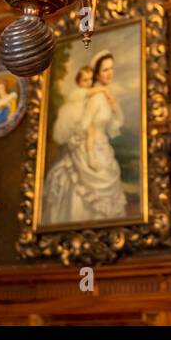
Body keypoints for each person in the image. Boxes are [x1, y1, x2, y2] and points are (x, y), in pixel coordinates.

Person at [42, 53, 127, 224]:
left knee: (107, 183)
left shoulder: (105, 96)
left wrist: (113, 105)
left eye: (111, 69)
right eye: (105, 70)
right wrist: (89, 151)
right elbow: (85, 125)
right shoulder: (95, 97)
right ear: (97, 75)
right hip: (89, 146)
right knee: (88, 186)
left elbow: (114, 125)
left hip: (103, 146)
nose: (109, 73)